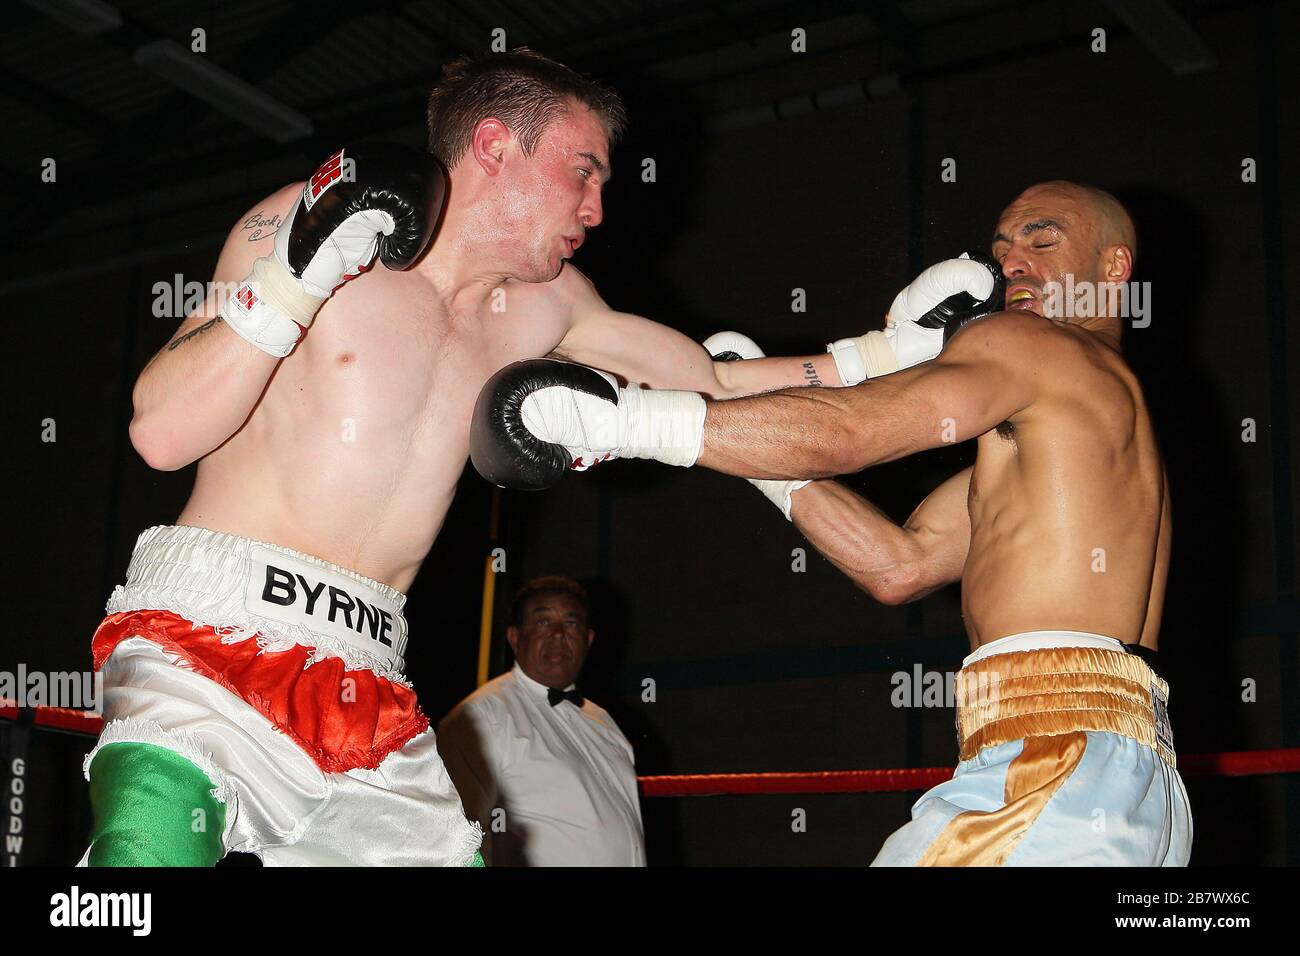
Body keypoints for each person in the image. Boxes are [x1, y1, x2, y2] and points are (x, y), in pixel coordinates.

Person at [81, 48, 858, 867]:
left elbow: (715, 383)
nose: (597, 208)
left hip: (368, 679)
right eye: (583, 171)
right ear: (495, 145)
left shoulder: (554, 304)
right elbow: (159, 432)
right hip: (211, 634)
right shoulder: (308, 217)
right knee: (143, 862)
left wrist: (888, 356)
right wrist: (291, 279)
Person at [472, 180, 1193, 866]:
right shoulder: (1099, 425)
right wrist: (756, 453)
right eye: (1003, 246)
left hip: (1052, 764)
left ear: (1114, 267)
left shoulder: (1034, 346)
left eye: (1042, 239)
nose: (1012, 262)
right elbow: (901, 563)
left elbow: (848, 432)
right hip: (1136, 784)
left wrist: (621, 422)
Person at [437, 577, 644, 866]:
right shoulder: (480, 716)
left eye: (571, 623)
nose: (558, 634)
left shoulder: (605, 722)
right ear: (515, 638)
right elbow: (457, 835)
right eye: (543, 622)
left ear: (588, 640)